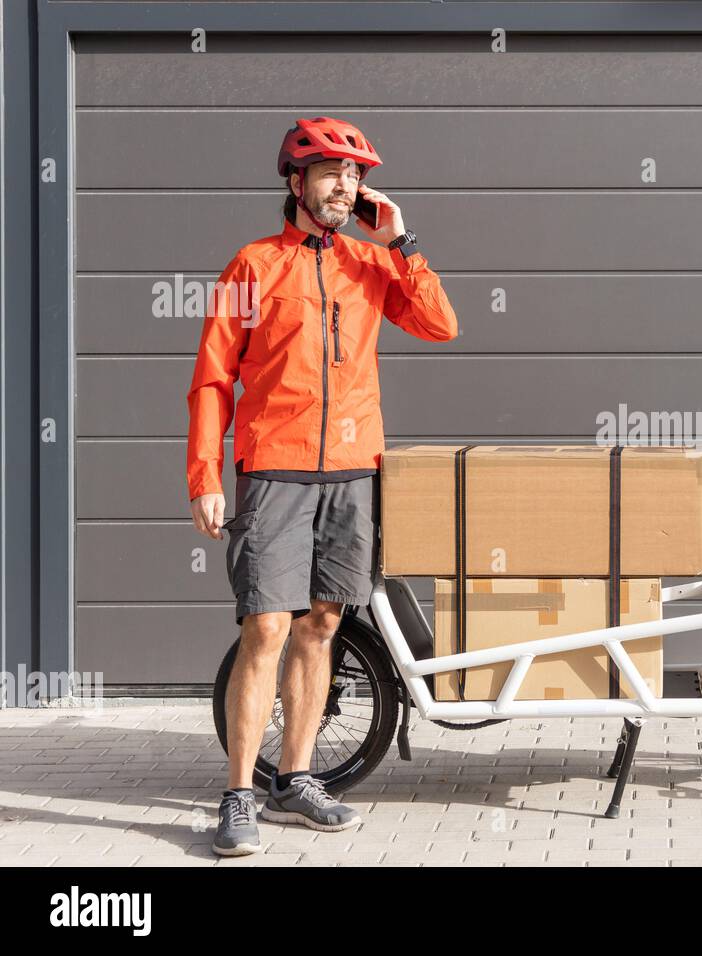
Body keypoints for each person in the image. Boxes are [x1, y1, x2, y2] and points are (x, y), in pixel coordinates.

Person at [185, 116, 458, 856]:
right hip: (273, 468)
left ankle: (296, 780)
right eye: (333, 172)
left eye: (357, 176)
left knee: (323, 626)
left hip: (351, 470)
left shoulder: (371, 265)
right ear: (295, 180)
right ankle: (240, 792)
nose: (348, 186)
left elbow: (440, 324)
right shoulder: (252, 266)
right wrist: (205, 473)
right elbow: (213, 378)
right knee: (267, 626)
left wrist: (401, 239)